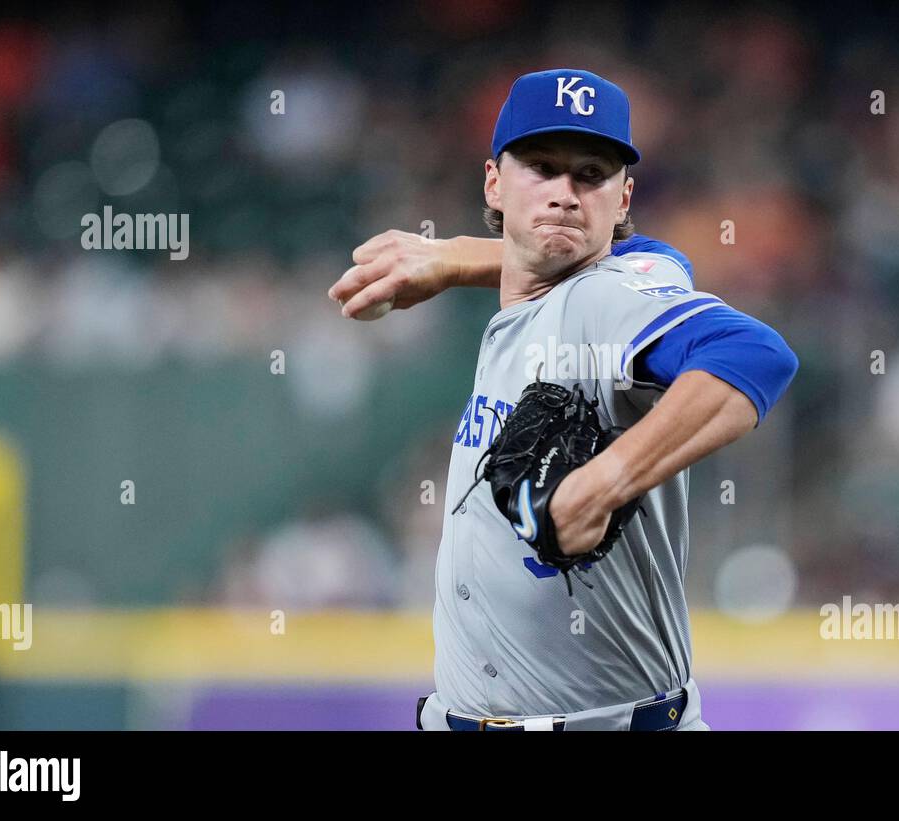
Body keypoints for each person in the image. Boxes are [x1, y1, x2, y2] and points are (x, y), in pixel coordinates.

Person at [329, 68, 798, 730]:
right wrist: (460, 257)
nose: (565, 193)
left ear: (624, 195)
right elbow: (640, 257)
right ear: (494, 181)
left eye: (590, 175)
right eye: (542, 167)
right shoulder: (554, 299)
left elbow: (756, 355)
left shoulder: (601, 301)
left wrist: (604, 481)